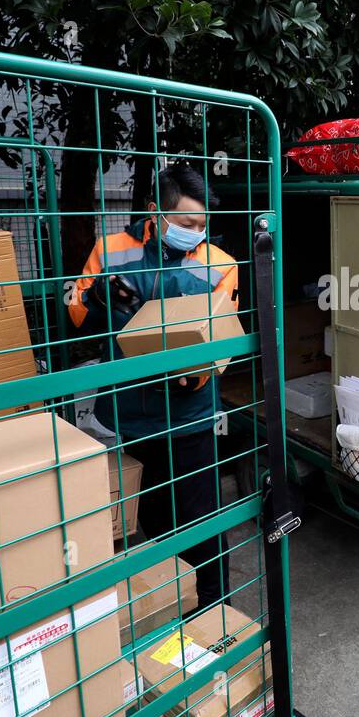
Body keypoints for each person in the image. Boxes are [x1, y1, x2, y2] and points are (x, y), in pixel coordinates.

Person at [68, 164, 239, 611]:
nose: (196, 233)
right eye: (186, 224)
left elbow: (223, 336)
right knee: (153, 512)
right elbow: (75, 317)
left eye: (203, 225)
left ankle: (213, 609)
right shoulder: (110, 252)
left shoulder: (220, 264)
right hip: (130, 411)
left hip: (191, 414)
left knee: (202, 517)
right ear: (154, 212)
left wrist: (197, 374)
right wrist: (99, 298)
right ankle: (171, 597)